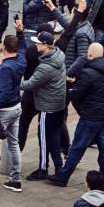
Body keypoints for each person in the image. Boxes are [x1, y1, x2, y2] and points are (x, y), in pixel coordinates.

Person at [53, 44, 104, 189]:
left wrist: (71, 86)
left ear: (89, 55)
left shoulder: (87, 73)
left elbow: (76, 94)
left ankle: (63, 177)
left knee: (77, 147)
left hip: (90, 117)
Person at [22, 31, 69, 181]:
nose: (35, 45)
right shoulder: (59, 56)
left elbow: (28, 84)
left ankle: (43, 168)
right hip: (58, 105)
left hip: (47, 106)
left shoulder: (45, 68)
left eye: (38, 42)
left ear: (46, 46)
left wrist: (14, 79)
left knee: (43, 138)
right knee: (53, 137)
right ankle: (59, 167)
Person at [0, 31, 27, 192]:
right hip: (17, 107)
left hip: (4, 112)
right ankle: (15, 180)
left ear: (3, 47)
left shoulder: (5, 69)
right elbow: (23, 52)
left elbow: (4, 94)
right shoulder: (20, 62)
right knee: (14, 144)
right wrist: (21, 34)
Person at [49, 0, 95, 79]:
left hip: (73, 75)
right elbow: (66, 22)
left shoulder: (82, 33)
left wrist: (68, 74)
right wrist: (52, 7)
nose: (70, 14)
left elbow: (82, 57)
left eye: (71, 12)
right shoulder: (85, 24)